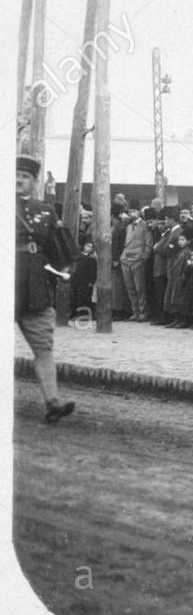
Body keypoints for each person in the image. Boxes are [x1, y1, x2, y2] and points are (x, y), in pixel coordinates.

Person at [15, 155, 77, 422]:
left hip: (35, 291)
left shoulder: (46, 211)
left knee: (43, 347)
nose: (19, 180)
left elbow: (60, 249)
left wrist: (66, 270)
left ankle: (53, 402)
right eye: (16, 175)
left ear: (34, 181)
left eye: (25, 176)